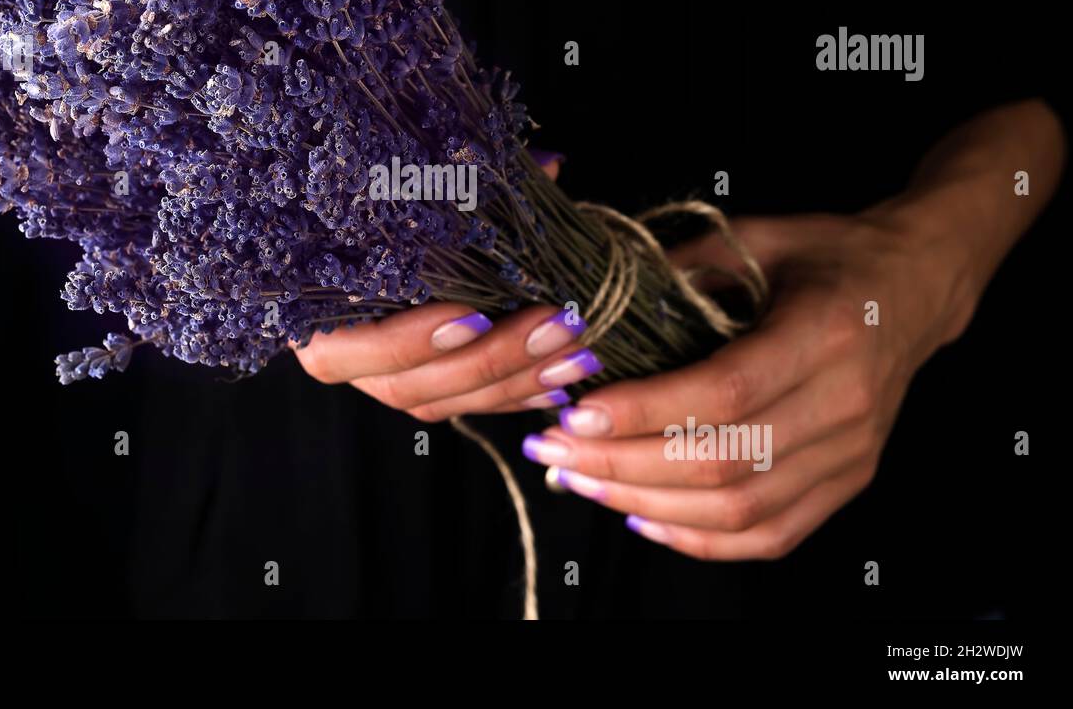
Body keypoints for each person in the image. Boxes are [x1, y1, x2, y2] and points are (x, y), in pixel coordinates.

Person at [294, 100, 1065, 560]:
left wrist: (926, 267)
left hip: (816, 450)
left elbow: (1041, 100)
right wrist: (287, 287)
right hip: (312, 510)